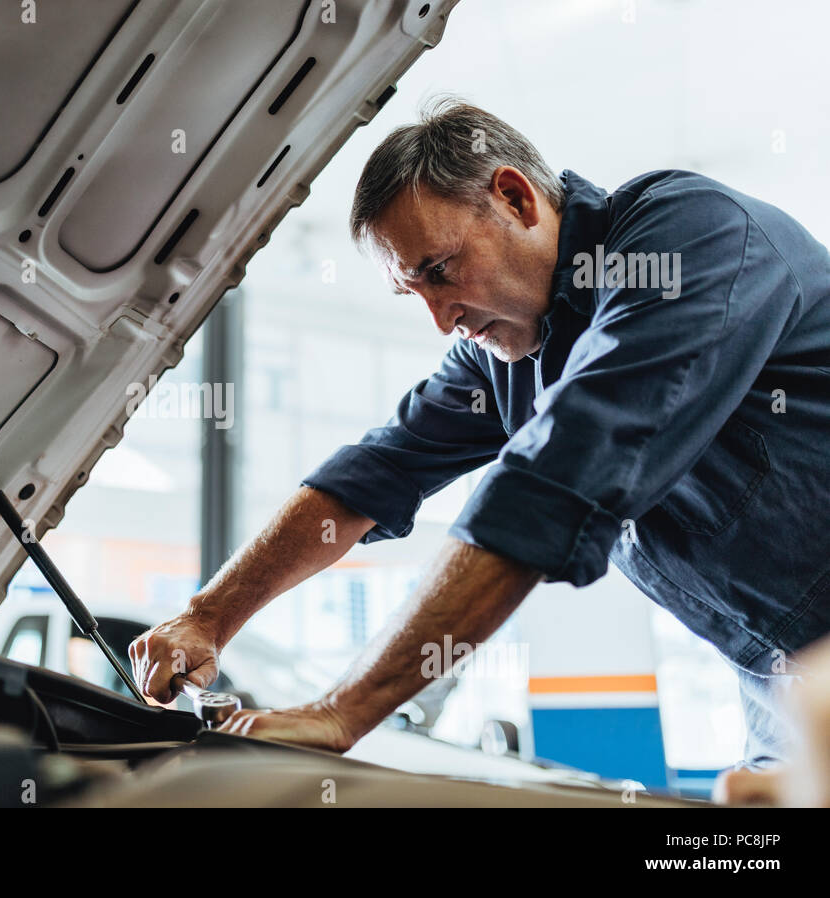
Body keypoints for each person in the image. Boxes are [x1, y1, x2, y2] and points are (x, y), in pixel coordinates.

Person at [128, 98, 830, 786]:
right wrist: (206, 617)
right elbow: (372, 475)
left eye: (440, 271)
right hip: (790, 700)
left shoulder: (690, 238)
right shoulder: (505, 359)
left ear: (516, 199)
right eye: (416, 294)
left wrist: (342, 712)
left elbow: (565, 469)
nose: (441, 321)